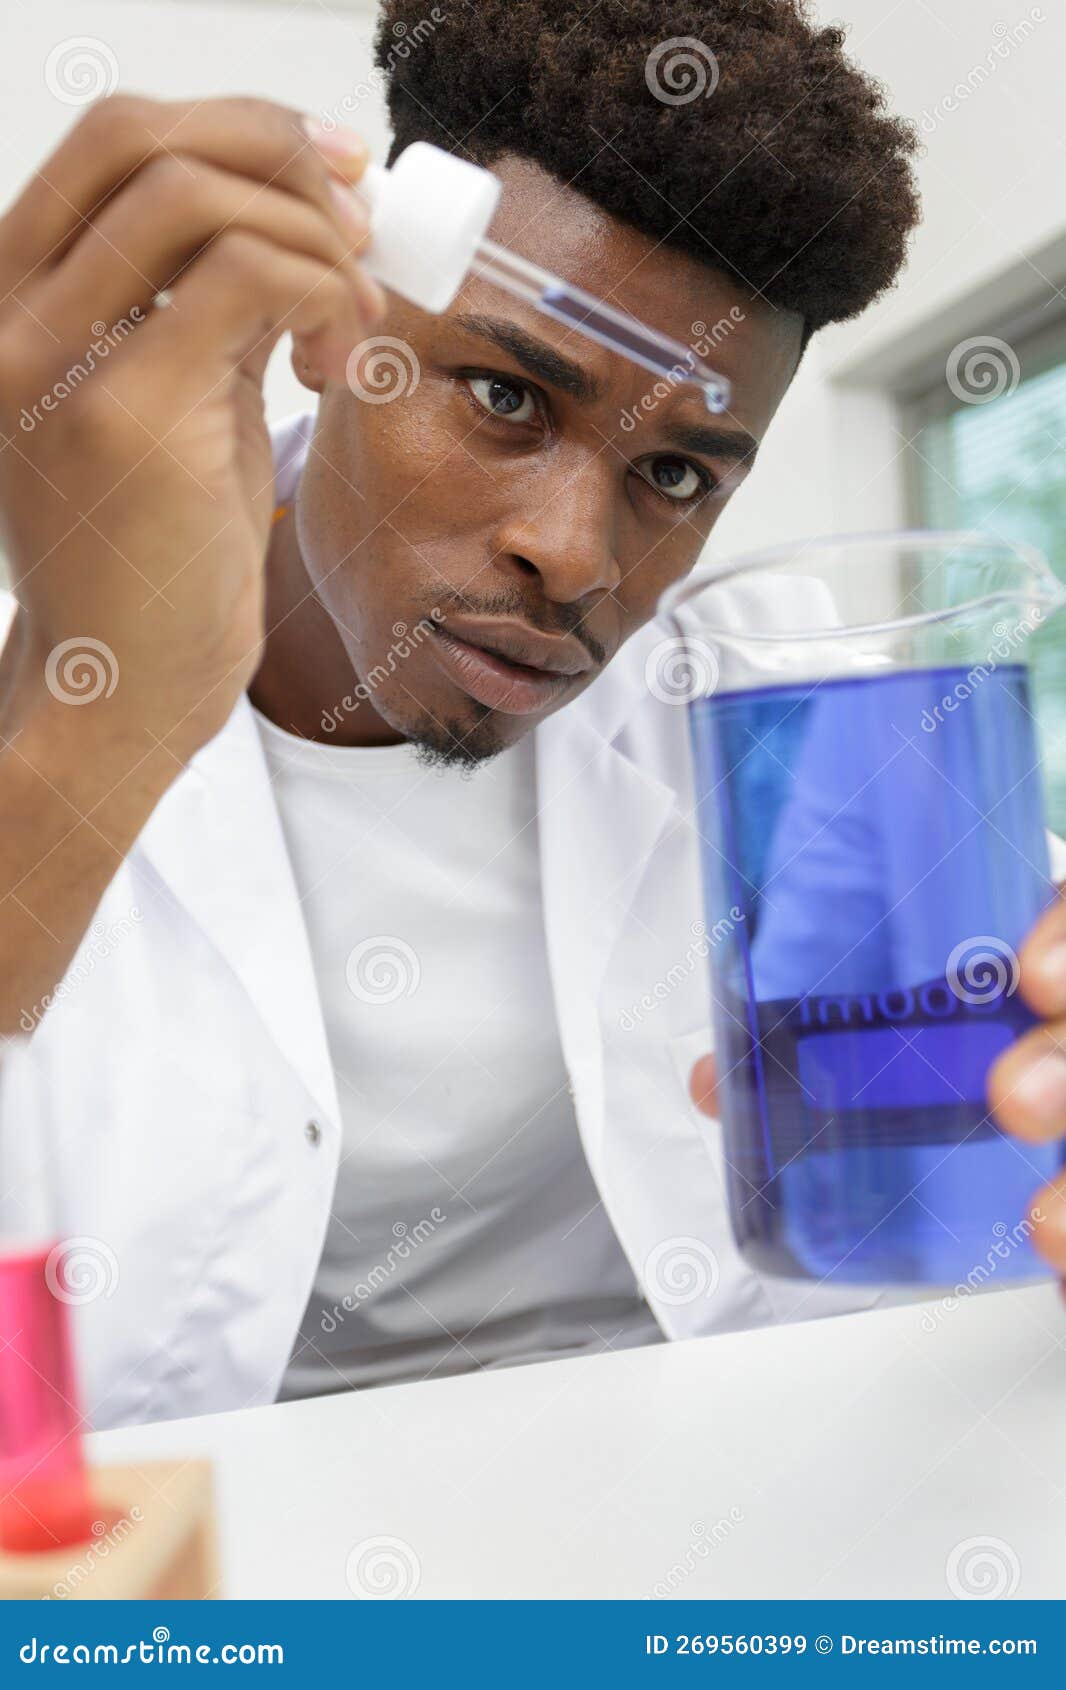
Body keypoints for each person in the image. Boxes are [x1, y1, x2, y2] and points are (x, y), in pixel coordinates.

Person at [0, 0, 1059, 1430]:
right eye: (505, 394)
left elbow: (950, 1252)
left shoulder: (799, 719)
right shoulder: (63, 696)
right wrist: (101, 728)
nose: (572, 553)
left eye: (677, 475)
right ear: (331, 329)